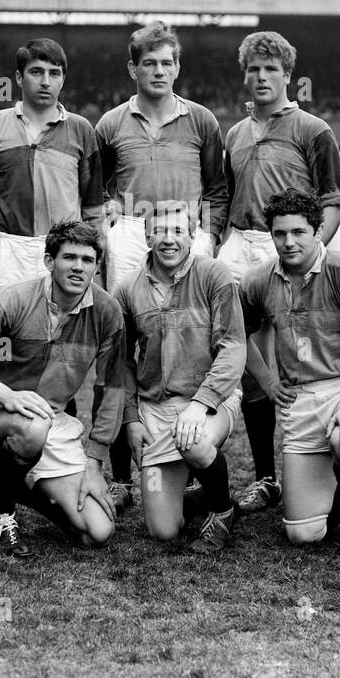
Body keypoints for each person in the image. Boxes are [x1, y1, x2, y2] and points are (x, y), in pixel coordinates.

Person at [94, 20, 229, 509]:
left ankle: (193, 458)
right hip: (133, 231)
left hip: (185, 232)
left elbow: (217, 188)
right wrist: (108, 222)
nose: (158, 70)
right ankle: (120, 475)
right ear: (133, 68)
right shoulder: (111, 124)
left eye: (166, 62)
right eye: (148, 62)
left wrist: (209, 235)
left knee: (194, 339)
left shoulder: (202, 120)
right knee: (120, 344)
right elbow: (95, 188)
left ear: (177, 67)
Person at [0, 220, 123, 558]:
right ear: (49, 261)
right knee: (32, 426)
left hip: (52, 423)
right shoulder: (16, 297)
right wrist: (4, 393)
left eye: (87, 260)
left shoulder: (107, 312)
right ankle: (2, 513)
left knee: (97, 532)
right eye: (69, 257)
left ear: (97, 267)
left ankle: (11, 489)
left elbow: (112, 388)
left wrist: (95, 463)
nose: (78, 267)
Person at [222, 31, 340, 516]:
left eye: (270, 69)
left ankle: (329, 471)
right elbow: (227, 197)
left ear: (288, 75)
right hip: (243, 245)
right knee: (251, 366)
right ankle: (265, 478)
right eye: (253, 69)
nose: (261, 77)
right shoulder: (235, 133)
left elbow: (333, 199)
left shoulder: (313, 129)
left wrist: (312, 254)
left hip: (290, 248)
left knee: (305, 362)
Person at [239, 187, 340, 559]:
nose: (289, 242)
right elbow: (236, 338)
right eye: (280, 233)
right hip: (302, 399)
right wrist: (268, 382)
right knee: (303, 534)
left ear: (318, 230)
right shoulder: (257, 280)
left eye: (299, 232)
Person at [114, 201, 244, 553]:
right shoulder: (127, 289)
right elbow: (121, 363)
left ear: (192, 235)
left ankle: (222, 510)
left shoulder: (214, 274)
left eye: (177, 231)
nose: (168, 239)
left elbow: (233, 347)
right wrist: (131, 419)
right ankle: (207, 491)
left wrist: (200, 405)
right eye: (159, 231)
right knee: (163, 529)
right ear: (147, 237)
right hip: (156, 408)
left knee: (194, 442)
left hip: (209, 402)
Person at [0, 38, 105, 307]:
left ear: (63, 79)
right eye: (36, 72)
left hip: (64, 252)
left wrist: (89, 258)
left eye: (54, 73)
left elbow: (93, 207)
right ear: (19, 77)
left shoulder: (81, 130)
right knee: (1, 334)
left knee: (61, 332)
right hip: (6, 253)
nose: (45, 81)